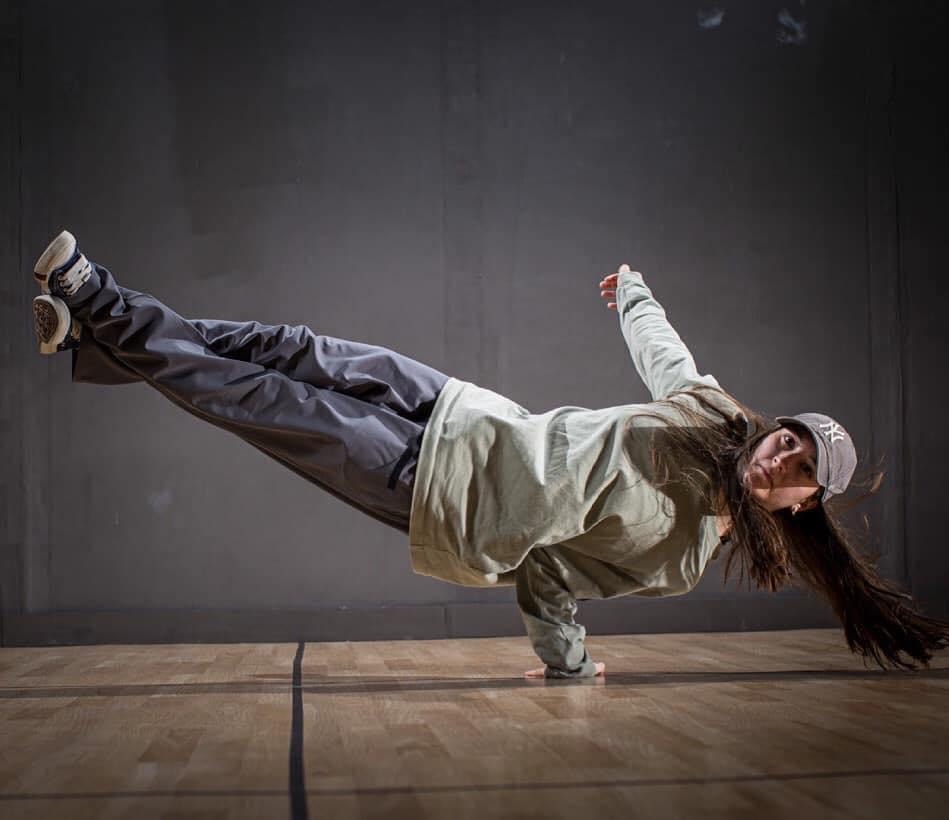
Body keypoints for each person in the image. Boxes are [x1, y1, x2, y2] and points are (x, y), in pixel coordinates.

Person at [30, 230, 948, 678]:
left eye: (794, 472)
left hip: (441, 495)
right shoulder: (712, 416)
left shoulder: (676, 559)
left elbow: (550, 578)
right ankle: (91, 338)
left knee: (263, 401)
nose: (775, 460)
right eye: (785, 440)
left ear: (799, 507)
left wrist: (569, 663)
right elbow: (667, 356)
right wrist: (633, 291)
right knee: (290, 347)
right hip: (463, 407)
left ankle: (98, 306)